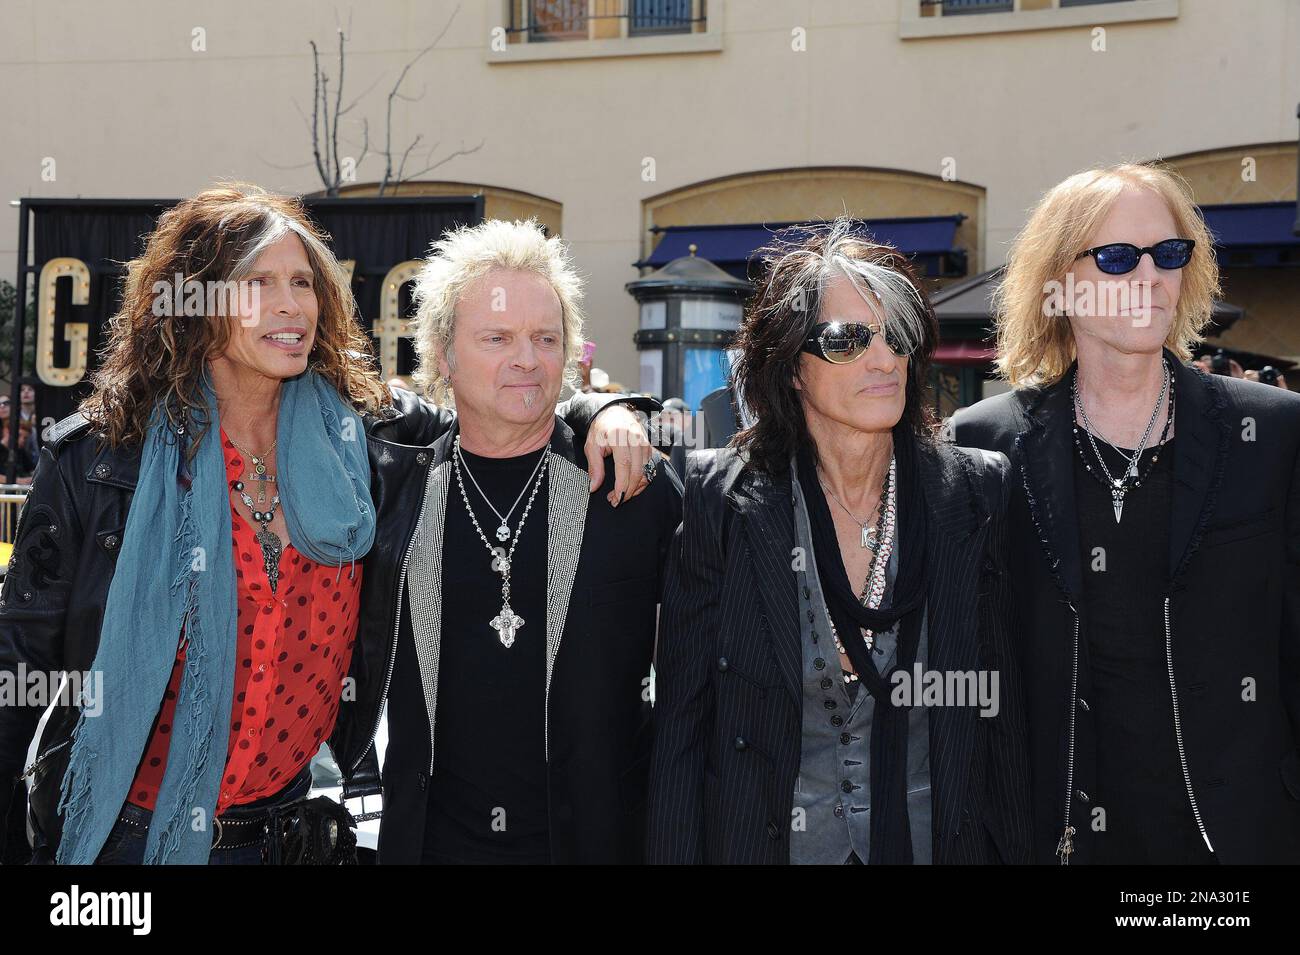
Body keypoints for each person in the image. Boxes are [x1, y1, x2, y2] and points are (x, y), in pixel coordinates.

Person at [0, 185, 653, 865]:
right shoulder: (100, 460)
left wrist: (605, 411)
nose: (291, 304)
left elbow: (506, 400)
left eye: (303, 282)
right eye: (257, 283)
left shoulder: (372, 435)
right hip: (122, 840)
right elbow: (16, 670)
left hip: (294, 839)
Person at [648, 218, 1030, 864]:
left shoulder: (973, 495)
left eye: (897, 334)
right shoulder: (725, 499)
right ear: (791, 367)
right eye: (846, 339)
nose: (882, 359)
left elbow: (1004, 726)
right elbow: (682, 725)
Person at [953, 163, 1300, 864]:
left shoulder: (1273, 434)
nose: (1150, 278)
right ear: (1060, 282)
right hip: (1058, 838)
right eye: (1116, 258)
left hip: (1234, 840)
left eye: (1169, 254)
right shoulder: (984, 444)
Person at [339, 219, 682, 865]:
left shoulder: (636, 488)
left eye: (544, 338)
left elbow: (698, 693)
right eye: (497, 337)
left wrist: (607, 409)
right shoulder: (393, 492)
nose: (526, 358)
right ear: (444, 354)